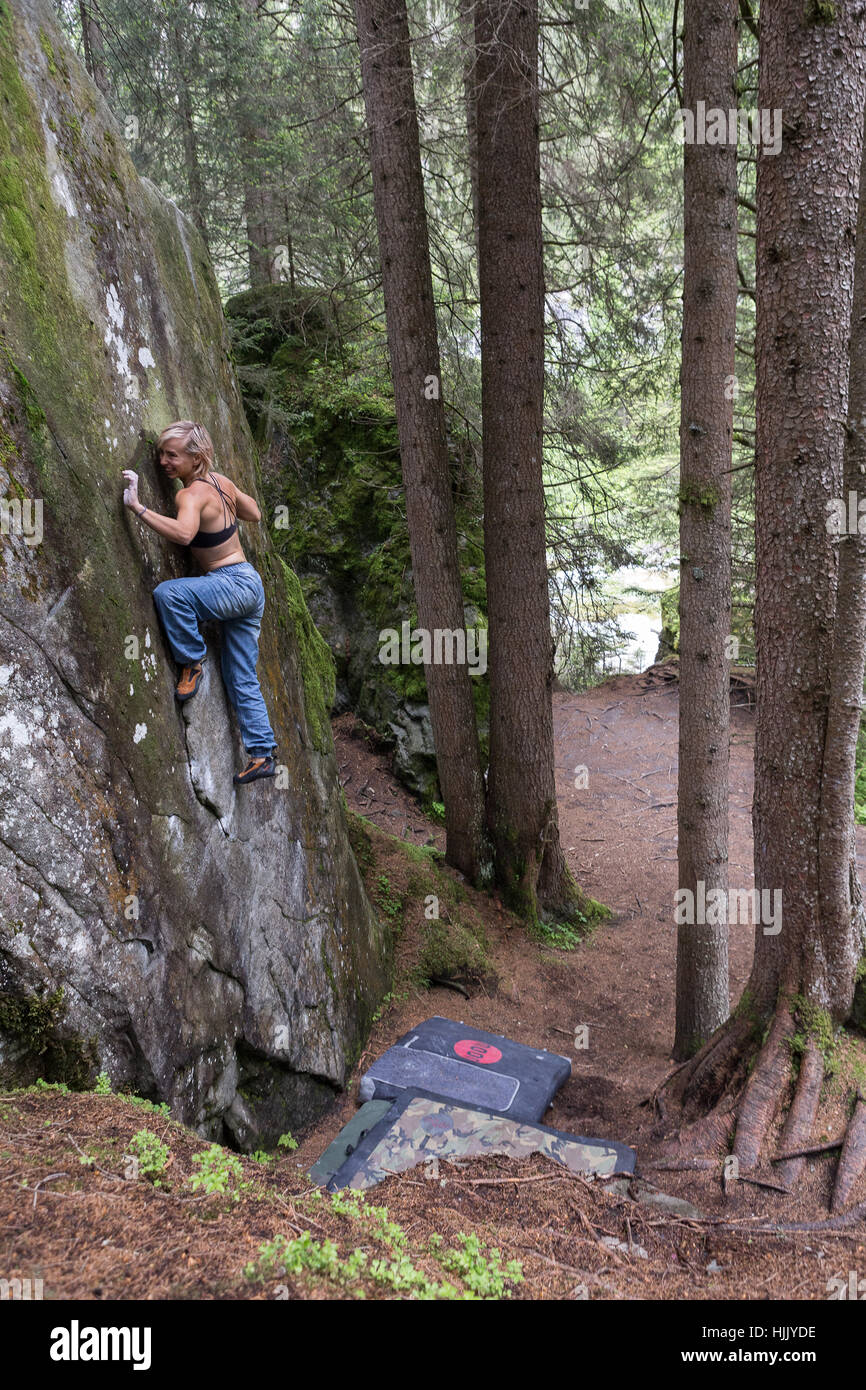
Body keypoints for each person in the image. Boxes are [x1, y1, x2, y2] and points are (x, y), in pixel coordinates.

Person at [122, 420, 277, 785]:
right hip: (249, 585)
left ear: (196, 457)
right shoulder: (221, 482)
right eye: (161, 453)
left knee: (168, 594)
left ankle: (191, 661)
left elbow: (184, 533)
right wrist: (228, 504)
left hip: (230, 584)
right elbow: (254, 512)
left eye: (172, 455)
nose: (163, 461)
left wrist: (137, 507)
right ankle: (262, 754)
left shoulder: (188, 495)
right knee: (241, 674)